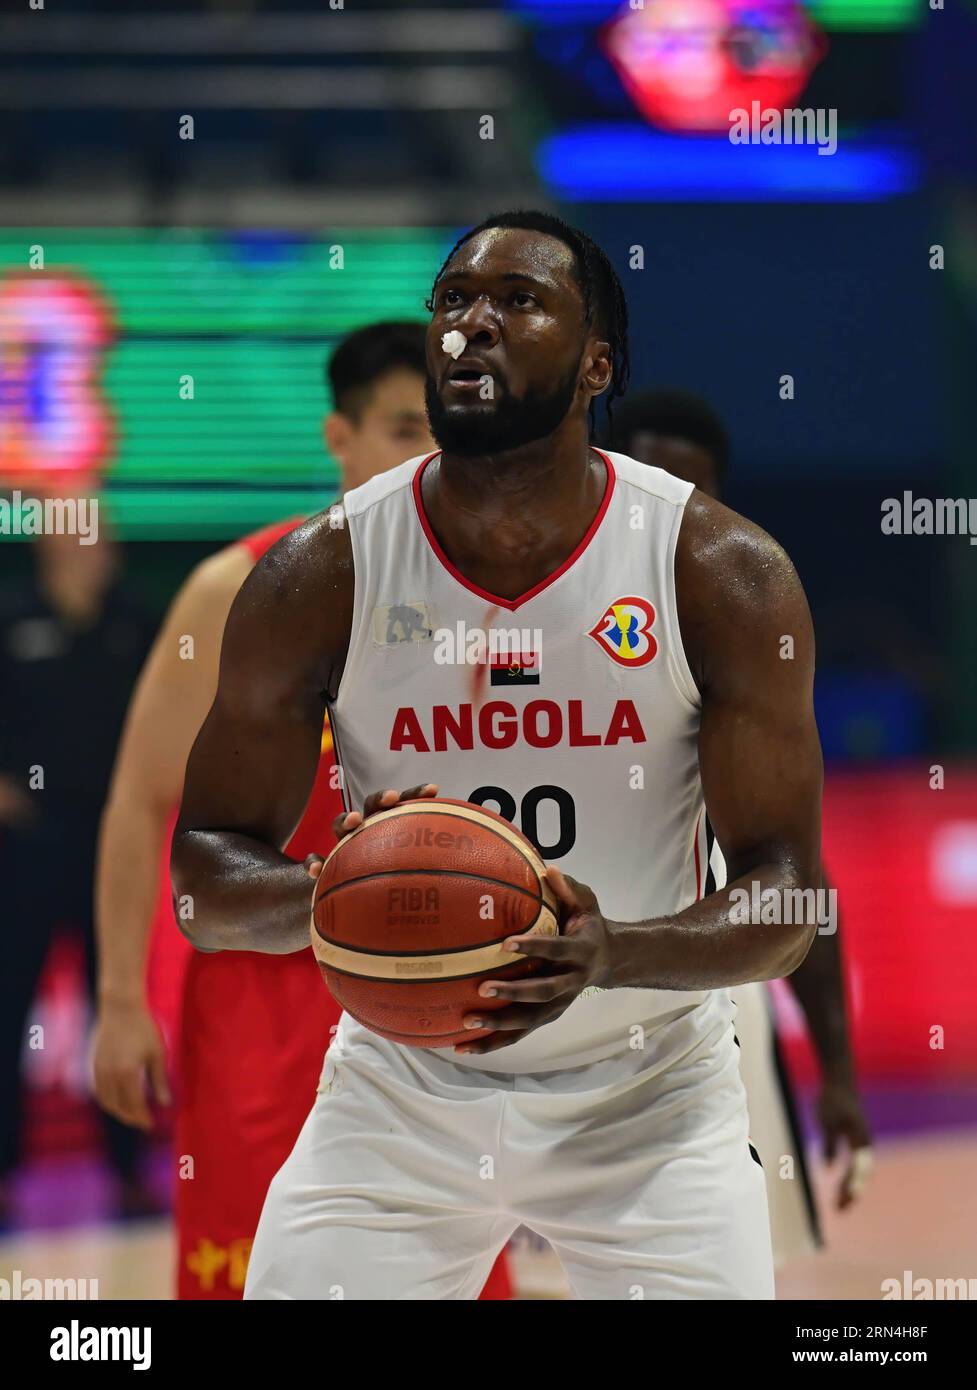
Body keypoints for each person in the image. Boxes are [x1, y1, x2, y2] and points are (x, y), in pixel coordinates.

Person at [173, 210, 824, 1301]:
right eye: (451, 303)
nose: (469, 327)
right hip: (402, 1088)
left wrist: (608, 950)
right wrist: (326, 890)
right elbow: (203, 874)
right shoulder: (320, 572)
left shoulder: (715, 570)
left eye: (515, 302)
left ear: (594, 365)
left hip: (647, 1085)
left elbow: (788, 900)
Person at [94, 321, 510, 1298]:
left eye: (443, 428)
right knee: (248, 1271)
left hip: (428, 983)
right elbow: (139, 797)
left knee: (449, 1272)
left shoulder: (489, 609)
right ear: (339, 435)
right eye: (403, 427)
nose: (428, 454)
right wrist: (117, 1002)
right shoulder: (234, 588)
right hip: (259, 985)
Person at [606, 388, 874, 1264]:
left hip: (703, 998)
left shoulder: (744, 636)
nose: (672, 511)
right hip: (539, 986)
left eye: (696, 491)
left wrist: (836, 1071)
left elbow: (798, 882)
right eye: (651, 481)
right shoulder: (528, 620)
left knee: (720, 1266)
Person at [0, 520, 157, 1222]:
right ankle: (5, 1175)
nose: (88, 544)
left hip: (113, 846)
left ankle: (128, 1170)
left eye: (98, 531)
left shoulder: (139, 622)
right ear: (45, 542)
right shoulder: (11, 617)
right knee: (9, 1010)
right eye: (73, 531)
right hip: (24, 845)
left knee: (119, 1002)